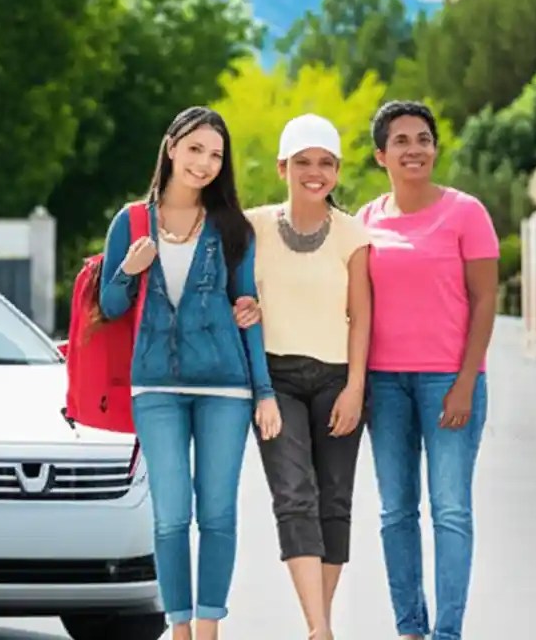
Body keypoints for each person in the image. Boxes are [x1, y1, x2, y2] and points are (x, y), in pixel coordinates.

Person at [98, 105, 279, 640]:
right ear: (171, 146)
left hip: (226, 387)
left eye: (215, 155)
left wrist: (264, 391)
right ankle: (179, 629)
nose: (204, 163)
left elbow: (247, 312)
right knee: (171, 515)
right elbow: (109, 306)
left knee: (218, 513)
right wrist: (130, 269)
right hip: (155, 387)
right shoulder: (130, 222)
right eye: (195, 149)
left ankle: (209, 629)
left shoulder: (232, 228)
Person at [357, 100, 498, 640]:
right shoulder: (367, 220)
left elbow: (484, 301)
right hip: (384, 384)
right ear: (381, 155)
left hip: (449, 383)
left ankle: (447, 632)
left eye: (423, 138)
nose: (414, 149)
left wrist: (465, 383)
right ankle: (410, 629)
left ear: (435, 148)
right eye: (401, 140)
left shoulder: (466, 213)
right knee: (395, 511)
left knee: (451, 510)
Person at [244, 114, 372, 640]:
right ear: (283, 167)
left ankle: (318, 626)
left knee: (334, 498)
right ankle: (320, 631)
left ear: (337, 171)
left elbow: (362, 314)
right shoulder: (250, 227)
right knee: (294, 494)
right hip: (276, 382)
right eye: (302, 162)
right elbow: (234, 294)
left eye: (324, 163)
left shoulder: (352, 232)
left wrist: (356, 388)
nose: (314, 173)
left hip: (337, 379)